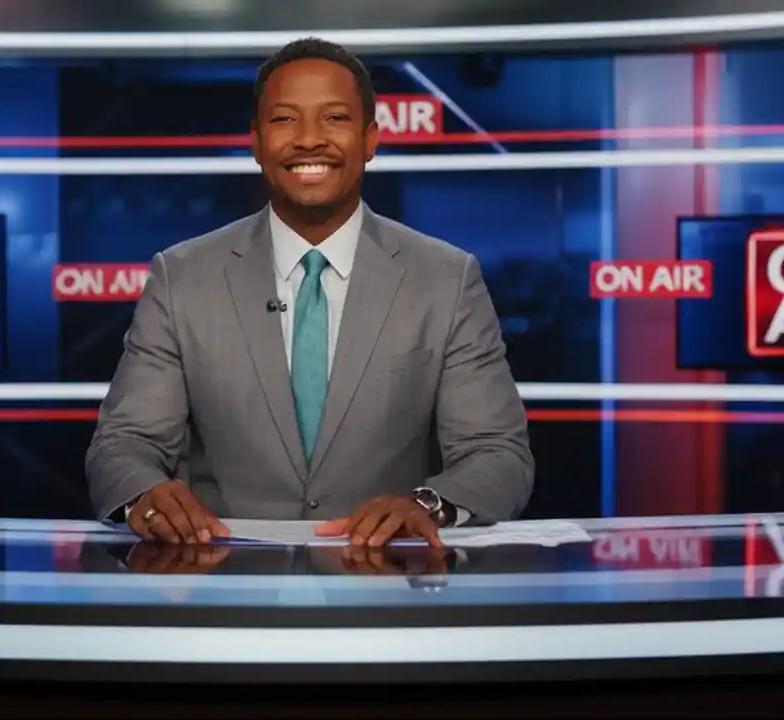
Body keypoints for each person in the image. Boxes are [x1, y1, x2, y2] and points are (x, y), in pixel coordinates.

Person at [85, 37, 533, 548]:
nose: (309, 140)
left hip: (387, 596)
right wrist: (144, 491)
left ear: (371, 140)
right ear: (255, 142)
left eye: (335, 119)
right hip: (223, 591)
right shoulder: (182, 277)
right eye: (284, 120)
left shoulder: (446, 279)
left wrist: (426, 504)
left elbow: (498, 455)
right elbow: (123, 445)